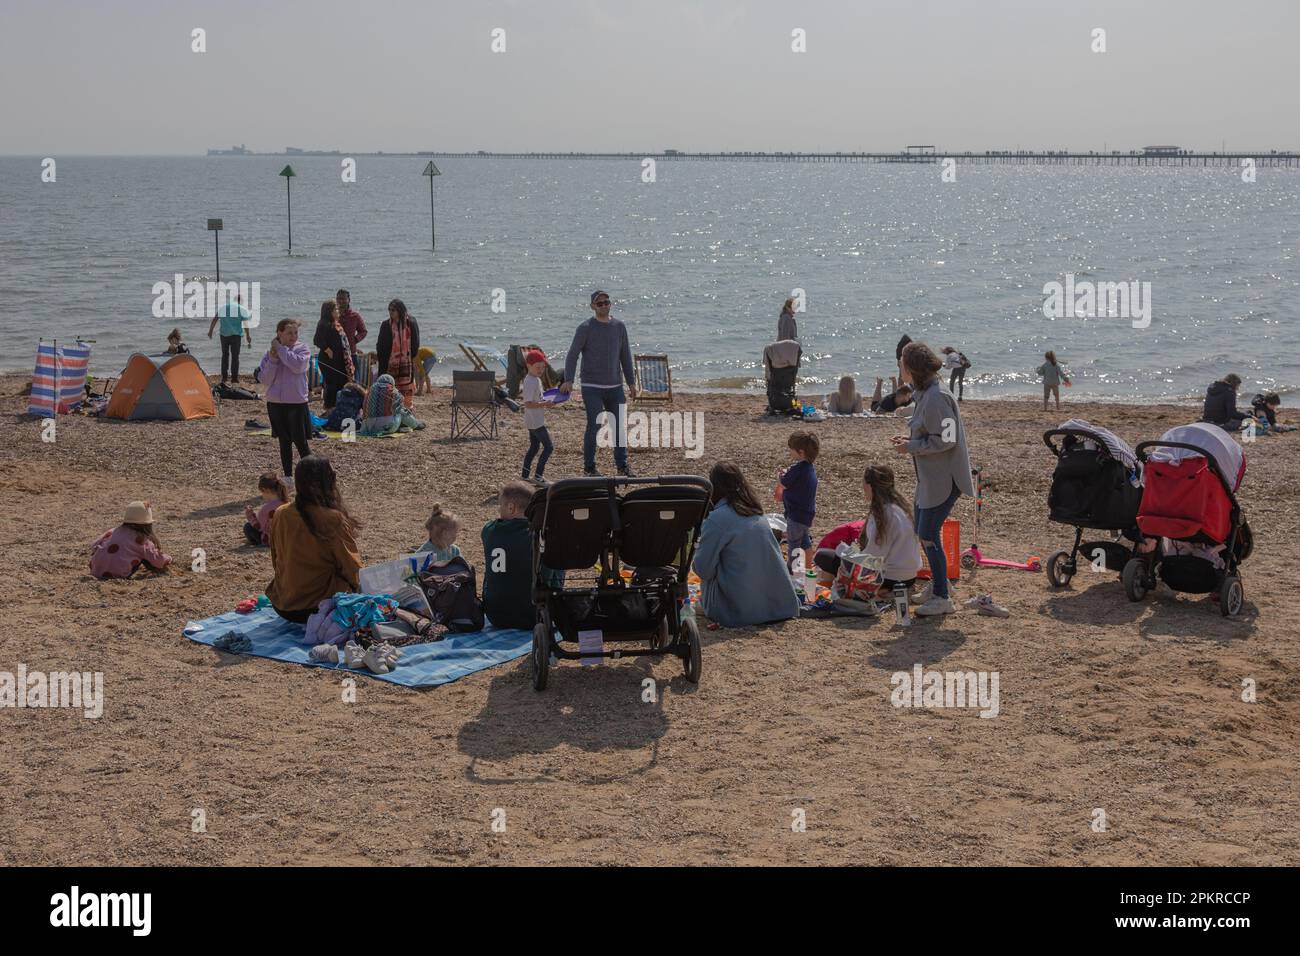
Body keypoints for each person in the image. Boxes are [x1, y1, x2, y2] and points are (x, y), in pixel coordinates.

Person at [890, 341, 974, 616]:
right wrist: (910, 439)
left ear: (912, 367)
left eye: (901, 361)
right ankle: (940, 585)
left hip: (945, 479)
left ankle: (942, 597)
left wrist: (911, 446)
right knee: (924, 531)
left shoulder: (937, 396)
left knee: (927, 534)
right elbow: (929, 430)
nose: (899, 366)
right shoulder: (924, 392)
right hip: (930, 478)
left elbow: (947, 440)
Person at [693, 462, 801, 627]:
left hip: (740, 612)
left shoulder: (717, 519)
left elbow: (703, 569)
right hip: (780, 607)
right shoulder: (756, 513)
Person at [267, 455, 361, 624]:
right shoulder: (331, 518)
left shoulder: (281, 513)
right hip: (316, 609)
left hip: (282, 605)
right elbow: (352, 569)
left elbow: (276, 559)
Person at [559, 291, 637, 477]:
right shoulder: (585, 327)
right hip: (592, 386)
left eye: (606, 302)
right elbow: (572, 354)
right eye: (599, 303)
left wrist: (632, 383)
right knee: (594, 426)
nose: (604, 305)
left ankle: (622, 466)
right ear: (593, 306)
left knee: (618, 426)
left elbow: (625, 356)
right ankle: (589, 467)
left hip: (615, 387)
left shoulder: (619, 327)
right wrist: (569, 379)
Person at [812, 465, 920, 598]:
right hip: (910, 576)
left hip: (890, 577)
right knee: (838, 556)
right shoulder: (902, 508)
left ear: (869, 486)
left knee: (823, 556)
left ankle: (840, 591)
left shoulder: (882, 515)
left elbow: (874, 559)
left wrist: (847, 554)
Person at [481, 481, 561, 630]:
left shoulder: (489, 531)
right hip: (536, 614)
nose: (499, 510)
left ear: (511, 507)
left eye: (501, 505)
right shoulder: (544, 535)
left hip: (496, 615)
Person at [258, 319, 312, 486]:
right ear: (279, 333)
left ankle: (313, 474)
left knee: (300, 441)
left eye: (295, 332)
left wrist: (280, 349)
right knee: (284, 440)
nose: (293, 336)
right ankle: (288, 477)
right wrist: (274, 360)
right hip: (276, 403)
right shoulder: (270, 354)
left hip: (296, 402)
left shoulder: (303, 349)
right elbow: (265, 379)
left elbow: (297, 366)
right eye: (289, 333)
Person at [90, 501, 173, 580]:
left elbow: (93, 545)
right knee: (146, 553)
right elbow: (157, 559)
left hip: (95, 571)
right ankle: (157, 571)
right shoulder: (141, 539)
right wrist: (168, 559)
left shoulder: (113, 531)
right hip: (118, 575)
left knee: (133, 551)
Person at [775, 431, 819, 571]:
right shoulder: (810, 469)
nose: (790, 452)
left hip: (795, 515)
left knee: (793, 544)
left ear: (800, 452)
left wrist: (780, 476)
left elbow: (783, 483)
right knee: (805, 543)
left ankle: (791, 571)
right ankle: (808, 569)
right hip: (806, 515)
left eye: (791, 449)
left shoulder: (798, 469)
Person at [376, 298, 420, 405]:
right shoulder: (386, 325)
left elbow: (416, 341)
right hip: (390, 363)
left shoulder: (411, 322)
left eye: (393, 310)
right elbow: (380, 345)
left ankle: (407, 409)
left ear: (400, 310)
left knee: (406, 390)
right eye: (389, 310)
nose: (390, 312)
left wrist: (412, 356)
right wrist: (381, 360)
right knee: (390, 388)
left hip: (407, 363)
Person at [520, 348, 554, 485]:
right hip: (536, 422)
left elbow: (538, 397)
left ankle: (524, 475)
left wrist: (549, 397)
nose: (540, 370)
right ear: (529, 366)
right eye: (537, 367)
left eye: (543, 367)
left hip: (533, 421)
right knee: (549, 447)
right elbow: (528, 404)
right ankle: (538, 476)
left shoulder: (535, 379)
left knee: (534, 448)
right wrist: (544, 404)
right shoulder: (530, 381)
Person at [313, 300, 354, 410]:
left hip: (339, 360)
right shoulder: (324, 323)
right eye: (335, 309)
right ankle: (330, 408)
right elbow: (317, 340)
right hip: (329, 360)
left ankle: (338, 407)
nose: (338, 311)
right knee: (332, 386)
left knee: (341, 384)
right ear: (329, 311)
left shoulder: (336, 324)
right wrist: (327, 350)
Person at [207, 290, 253, 385]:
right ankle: (234, 379)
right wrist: (248, 336)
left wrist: (210, 331)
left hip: (224, 335)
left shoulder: (224, 307)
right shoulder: (241, 308)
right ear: (240, 301)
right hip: (236, 336)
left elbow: (215, 318)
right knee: (235, 357)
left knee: (225, 355)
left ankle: (224, 378)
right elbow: (245, 324)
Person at [244, 472, 289, 546]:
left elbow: (259, 527)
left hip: (270, 540)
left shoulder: (266, 509)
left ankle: (257, 543)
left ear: (265, 490)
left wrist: (250, 515)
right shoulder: (287, 503)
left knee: (248, 527)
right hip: (284, 538)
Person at [336, 289, 367, 374]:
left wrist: (355, 340)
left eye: (343, 298)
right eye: (338, 299)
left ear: (349, 300)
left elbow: (363, 331)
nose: (341, 301)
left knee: (354, 380)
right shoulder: (333, 316)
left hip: (351, 353)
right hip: (336, 354)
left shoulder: (355, 316)